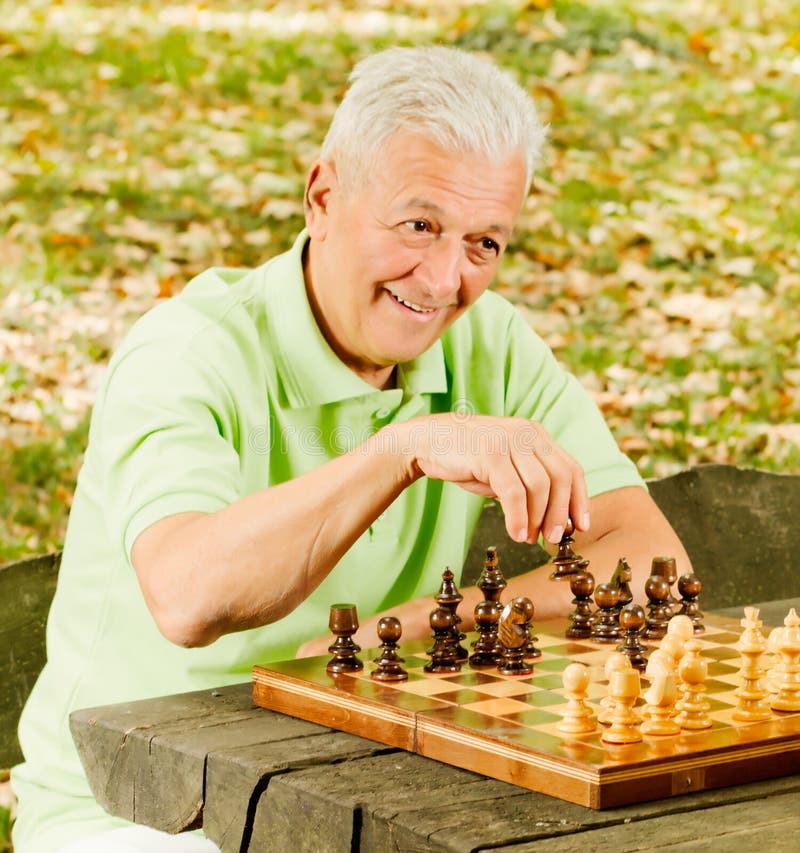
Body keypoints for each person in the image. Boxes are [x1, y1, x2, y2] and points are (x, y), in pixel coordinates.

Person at [12, 45, 691, 852]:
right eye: (419, 224)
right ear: (323, 196)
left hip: (364, 782)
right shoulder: (189, 350)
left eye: (485, 243)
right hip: (139, 804)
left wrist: (428, 623)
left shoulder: (491, 344)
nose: (444, 280)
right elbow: (187, 597)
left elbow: (655, 565)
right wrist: (403, 446)